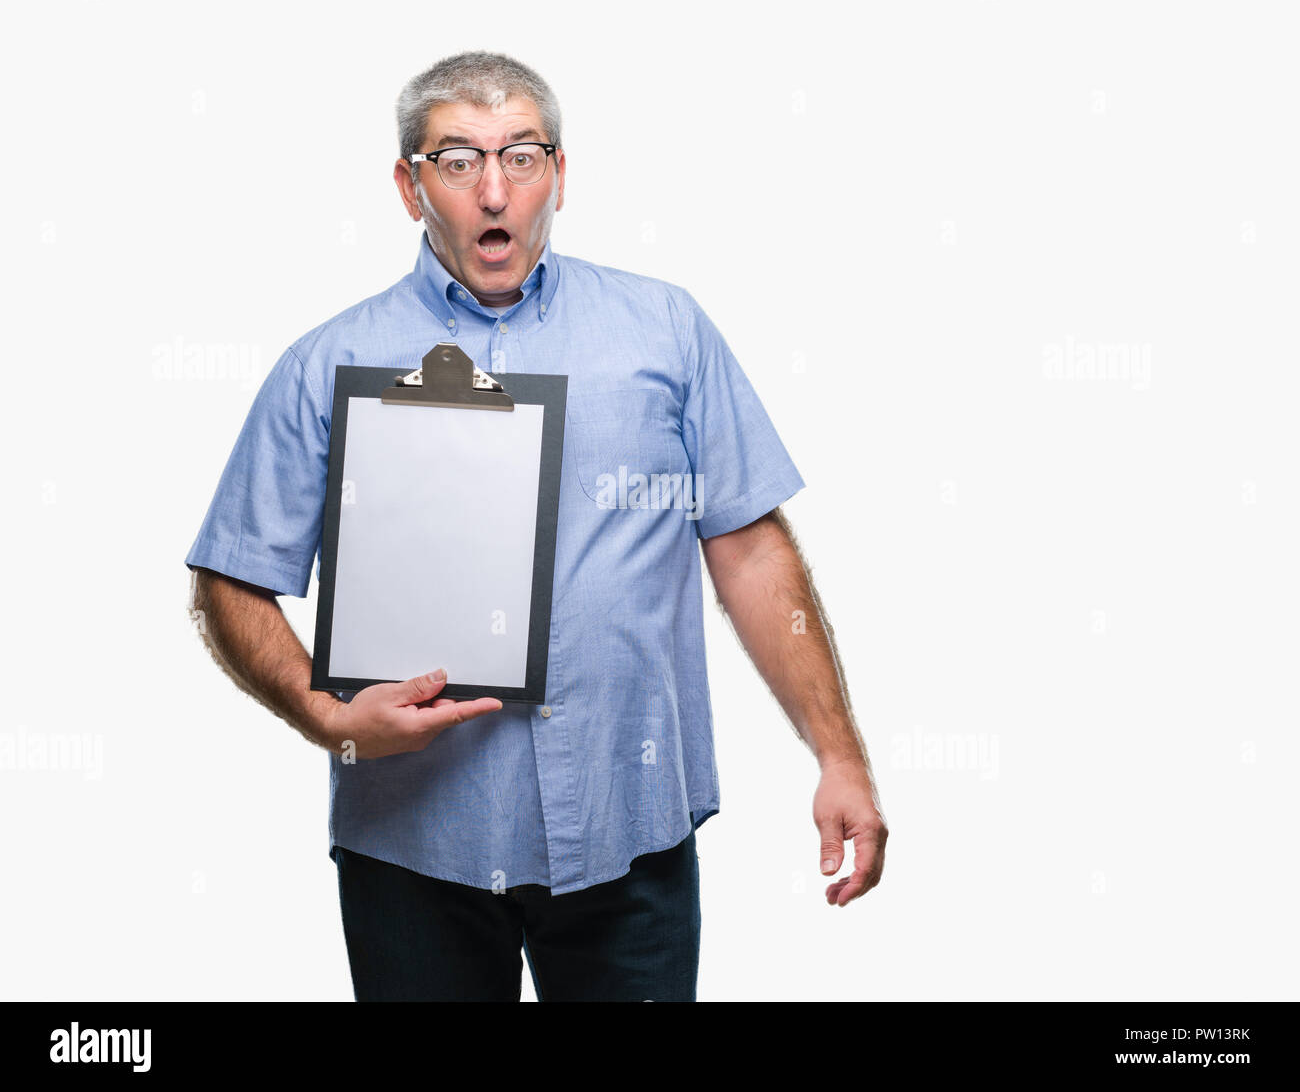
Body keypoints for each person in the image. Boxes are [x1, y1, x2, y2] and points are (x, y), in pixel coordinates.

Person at [184, 50, 887, 1002]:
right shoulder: (327, 364)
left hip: (627, 834)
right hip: (414, 845)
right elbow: (230, 575)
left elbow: (752, 549)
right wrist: (327, 718)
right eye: (458, 159)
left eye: (520, 153)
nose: (492, 189)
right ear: (409, 185)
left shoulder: (664, 330)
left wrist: (838, 755)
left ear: (560, 173)